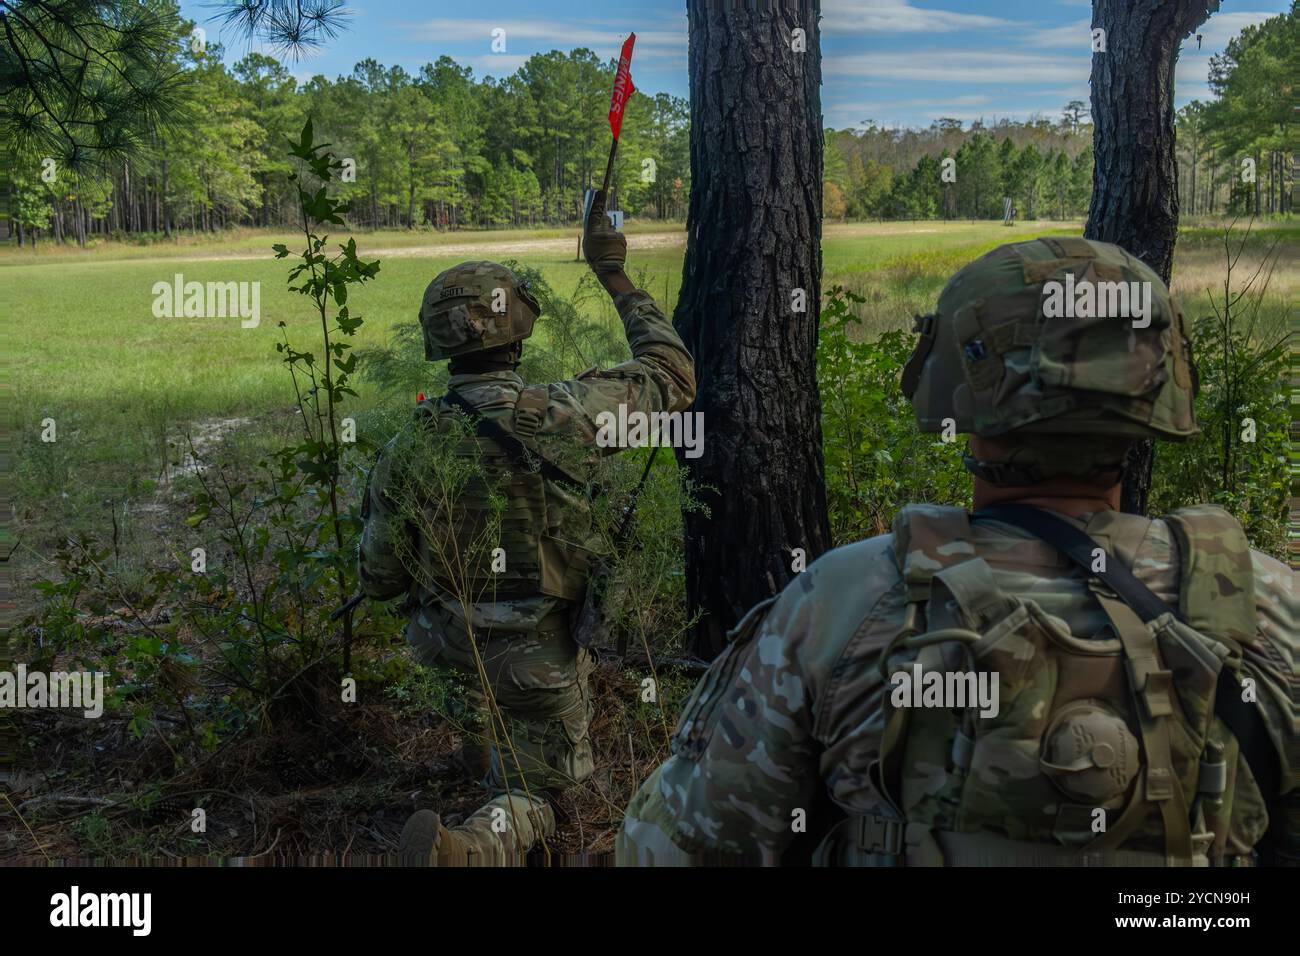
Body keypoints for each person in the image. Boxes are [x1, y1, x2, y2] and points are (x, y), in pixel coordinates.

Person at [617, 236, 1296, 866]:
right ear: (1167, 380)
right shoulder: (1269, 605)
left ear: (950, 378)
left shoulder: (844, 602)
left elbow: (674, 849)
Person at [360, 191, 696, 865]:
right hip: (534, 656)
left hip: (444, 647)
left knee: (494, 735)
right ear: (520, 327)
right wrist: (613, 272)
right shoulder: (567, 415)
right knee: (551, 798)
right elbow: (672, 374)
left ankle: (487, 772)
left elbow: (380, 576)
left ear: (437, 341)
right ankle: (469, 848)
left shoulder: (406, 446)